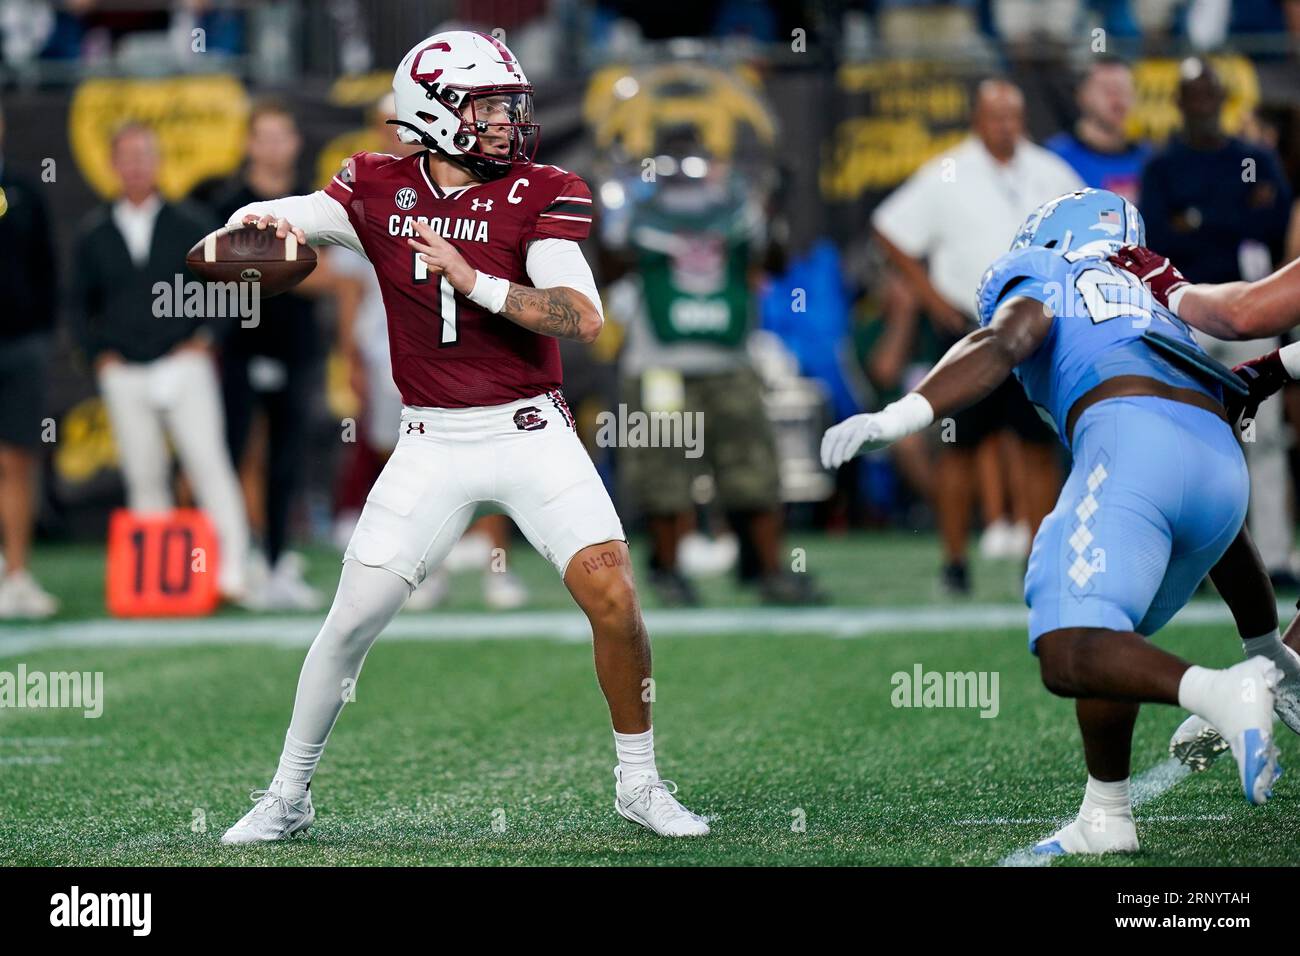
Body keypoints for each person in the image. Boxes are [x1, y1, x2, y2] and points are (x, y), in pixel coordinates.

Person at [220, 31, 708, 843]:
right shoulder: (372, 185)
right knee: (348, 623)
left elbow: (580, 317)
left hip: (529, 428)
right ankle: (287, 795)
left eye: (509, 106)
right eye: (487, 107)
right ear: (434, 112)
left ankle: (640, 783)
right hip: (430, 441)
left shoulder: (540, 191)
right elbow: (295, 216)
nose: (506, 123)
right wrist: (251, 226)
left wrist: (473, 278)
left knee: (615, 598)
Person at [822, 189, 1295, 855]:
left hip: (1133, 444)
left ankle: (1218, 693)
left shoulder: (1047, 270)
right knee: (1109, 626)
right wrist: (1266, 643)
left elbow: (1008, 337)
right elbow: (1236, 334)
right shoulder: (1153, 285)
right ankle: (1108, 813)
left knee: (1069, 644)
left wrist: (903, 413)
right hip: (1221, 471)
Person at [872, 78, 1082, 592]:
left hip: (1035, 329)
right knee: (959, 447)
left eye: (1013, 115)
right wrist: (928, 296)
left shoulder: (1049, 171)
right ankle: (954, 561)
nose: (1006, 126)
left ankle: (1037, 560)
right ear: (977, 119)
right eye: (995, 116)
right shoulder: (947, 171)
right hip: (969, 327)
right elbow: (889, 228)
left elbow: (1088, 228)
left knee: (1036, 447)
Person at [603, 126, 821, 606]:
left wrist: (775, 207)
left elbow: (774, 263)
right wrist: (618, 217)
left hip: (729, 357)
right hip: (659, 364)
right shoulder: (637, 208)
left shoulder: (738, 205)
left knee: (754, 467)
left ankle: (766, 569)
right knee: (663, 474)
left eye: (691, 153)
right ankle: (668, 571)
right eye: (674, 154)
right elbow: (610, 268)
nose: (684, 164)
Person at [70, 122, 250, 603]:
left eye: (142, 155)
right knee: (143, 472)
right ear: (113, 164)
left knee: (207, 463)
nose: (134, 166)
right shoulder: (94, 234)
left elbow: (227, 285)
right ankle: (157, 578)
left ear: (157, 161)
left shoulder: (190, 223)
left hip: (182, 363)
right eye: (125, 157)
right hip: (124, 370)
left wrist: (206, 338)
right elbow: (78, 306)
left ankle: (232, 568)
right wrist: (100, 358)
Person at [1141, 57, 1295, 588]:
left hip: (1252, 313)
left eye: (1210, 94)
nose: (1203, 105)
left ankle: (1274, 554)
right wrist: (1228, 221)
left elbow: (1273, 222)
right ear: (1180, 103)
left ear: (1221, 98)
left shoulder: (1252, 157)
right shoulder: (1163, 167)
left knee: (1265, 438)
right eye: (1194, 96)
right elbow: (1161, 235)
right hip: (1190, 319)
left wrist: (1200, 220)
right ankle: (1196, 563)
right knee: (1191, 441)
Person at [208, 99, 327, 610]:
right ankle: (237, 559)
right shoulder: (230, 203)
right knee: (234, 452)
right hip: (239, 345)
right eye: (266, 136)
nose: (276, 146)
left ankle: (277, 560)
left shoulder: (313, 204)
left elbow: (327, 278)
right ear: (250, 144)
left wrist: (275, 269)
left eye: (284, 135)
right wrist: (284, 269)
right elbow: (216, 269)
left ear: (296, 143)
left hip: (295, 346)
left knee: (286, 460)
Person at [0, 98, 60, 617]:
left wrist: (39, 336)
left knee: (17, 460)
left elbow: (46, 271)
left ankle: (16, 574)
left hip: (19, 345)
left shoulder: (23, 191)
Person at [1045, 58, 1150, 202]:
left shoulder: (1148, 160)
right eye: (1107, 89)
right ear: (1082, 96)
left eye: (1123, 89)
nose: (1117, 98)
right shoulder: (1054, 160)